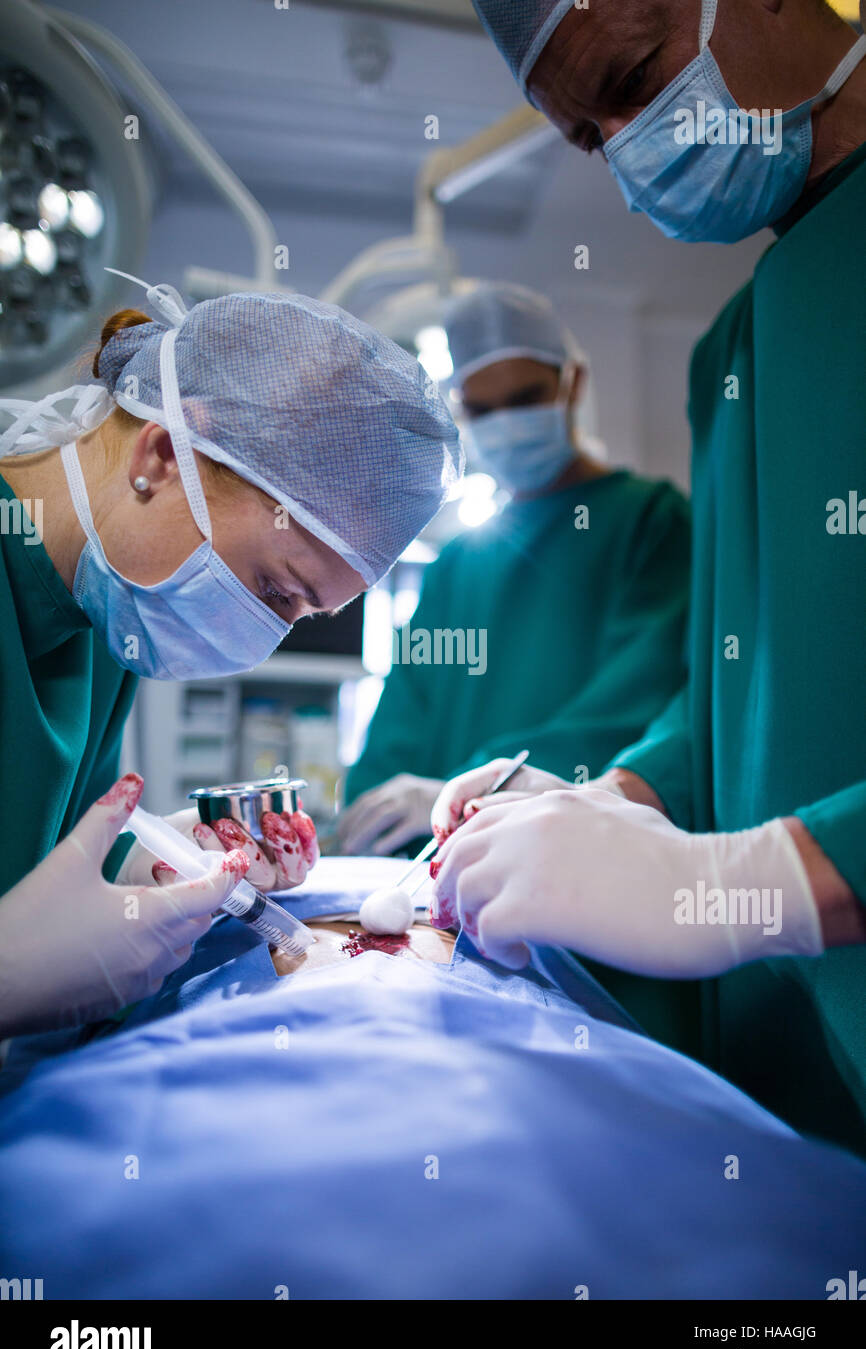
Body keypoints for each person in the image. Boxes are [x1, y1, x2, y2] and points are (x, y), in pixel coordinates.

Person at [431, 0, 866, 1157]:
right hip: (789, 1065)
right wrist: (618, 794)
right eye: (586, 136)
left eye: (630, 77)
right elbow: (742, 674)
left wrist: (771, 880)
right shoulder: (731, 349)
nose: (629, 148)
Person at [0, 275, 460, 1035]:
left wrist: (148, 864)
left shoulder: (103, 617)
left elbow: (36, 868)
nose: (263, 635)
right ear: (158, 457)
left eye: (303, 614)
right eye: (274, 587)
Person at [339, 283, 690, 867]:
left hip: (582, 862)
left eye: (526, 397)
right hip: (439, 866)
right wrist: (368, 814)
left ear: (572, 383)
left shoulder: (652, 522)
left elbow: (641, 701)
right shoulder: (457, 564)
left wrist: (485, 789)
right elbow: (404, 715)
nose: (505, 423)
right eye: (482, 409)